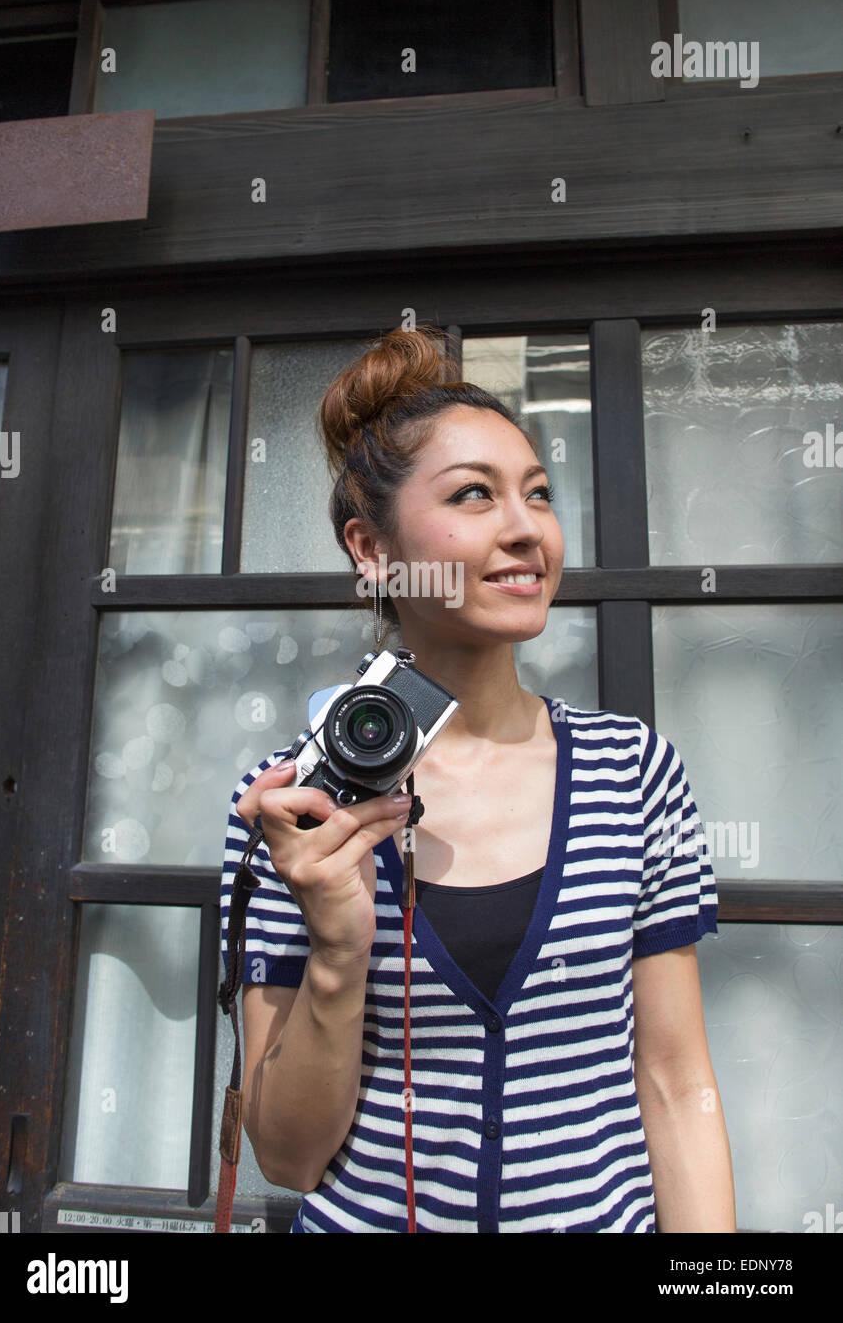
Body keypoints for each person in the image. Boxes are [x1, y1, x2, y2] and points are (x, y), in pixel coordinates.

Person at [220, 324, 736, 1233]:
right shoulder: (291, 806)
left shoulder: (634, 772)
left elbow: (676, 1082)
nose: (525, 529)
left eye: (539, 494)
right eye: (474, 495)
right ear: (371, 552)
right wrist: (338, 953)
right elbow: (288, 1157)